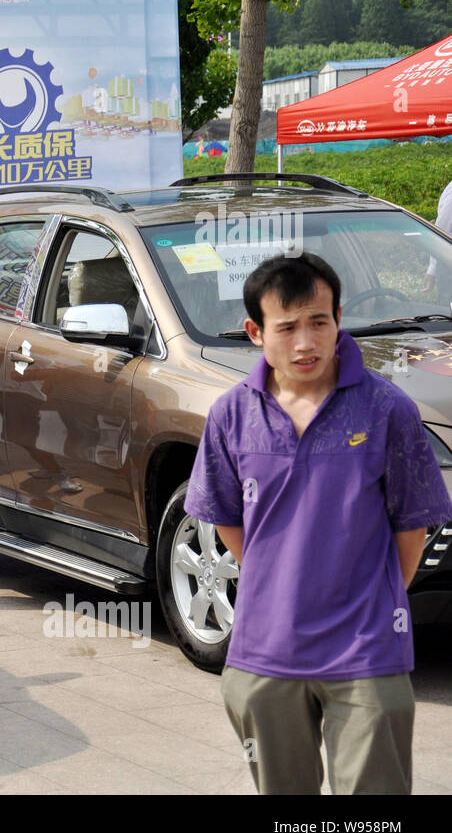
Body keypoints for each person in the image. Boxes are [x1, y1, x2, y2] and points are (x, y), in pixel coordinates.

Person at [184, 252, 452, 794]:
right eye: (287, 327)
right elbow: (228, 520)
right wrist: (274, 581)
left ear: (338, 320)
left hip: (367, 650)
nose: (305, 343)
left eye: (319, 322)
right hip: (265, 650)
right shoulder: (232, 414)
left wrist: (375, 598)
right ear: (255, 332)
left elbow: (411, 529)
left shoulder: (387, 409)